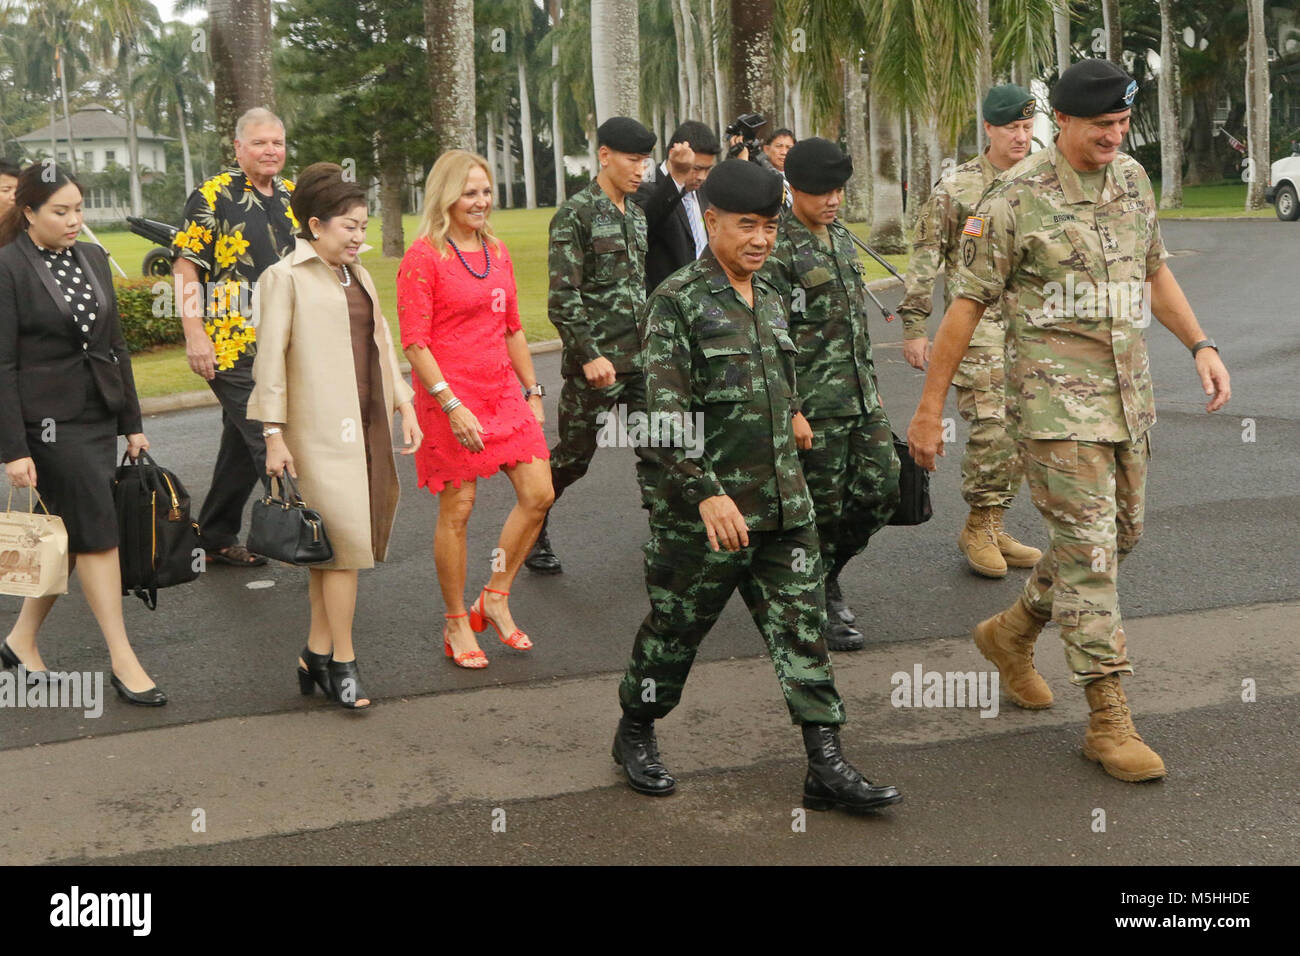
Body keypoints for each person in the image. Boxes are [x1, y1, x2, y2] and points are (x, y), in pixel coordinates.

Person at [906, 59, 1231, 782]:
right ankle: (1109, 720)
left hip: (1126, 400)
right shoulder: (1015, 198)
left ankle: (1012, 632)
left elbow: (1154, 269)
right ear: (1066, 123)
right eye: (1102, 127)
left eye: (1123, 125)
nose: (1114, 137)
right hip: (1052, 411)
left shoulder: (1133, 181)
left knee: (1120, 536)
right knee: (1089, 560)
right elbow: (964, 307)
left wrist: (1201, 345)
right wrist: (929, 411)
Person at [613, 159, 901, 814]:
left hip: (782, 503)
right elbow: (662, 416)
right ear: (711, 221)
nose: (762, 240)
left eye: (769, 227)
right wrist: (706, 492)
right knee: (676, 631)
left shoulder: (769, 295)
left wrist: (794, 411)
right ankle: (635, 729)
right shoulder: (677, 303)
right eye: (747, 226)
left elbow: (778, 374)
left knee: (803, 627)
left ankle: (825, 764)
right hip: (705, 513)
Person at [248, 163, 420, 709]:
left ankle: (315, 655)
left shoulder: (359, 275)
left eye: (364, 225)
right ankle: (343, 663)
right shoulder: (285, 278)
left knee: (330, 550)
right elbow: (269, 361)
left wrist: (405, 402)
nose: (359, 236)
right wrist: (274, 435)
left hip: (365, 423)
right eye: (350, 226)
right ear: (316, 224)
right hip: (315, 435)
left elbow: (383, 342)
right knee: (345, 550)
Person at [0, 165, 165, 706]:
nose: (75, 221)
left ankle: (21, 642)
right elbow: (2, 367)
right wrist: (14, 450)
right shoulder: (7, 267)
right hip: (47, 427)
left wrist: (132, 423)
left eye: (79, 209)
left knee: (66, 538)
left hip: (99, 415)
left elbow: (115, 345)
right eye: (61, 212)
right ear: (28, 213)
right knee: (99, 532)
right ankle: (123, 657)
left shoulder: (92, 258)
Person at [397, 150, 552, 668]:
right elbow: (415, 343)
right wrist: (451, 404)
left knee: (539, 494)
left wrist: (533, 392)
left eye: (486, 191)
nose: (481, 201)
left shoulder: (498, 251)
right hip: (449, 396)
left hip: (502, 390)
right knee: (458, 511)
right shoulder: (423, 257)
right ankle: (456, 621)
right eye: (470, 193)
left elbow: (511, 328)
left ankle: (497, 594)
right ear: (446, 197)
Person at [898, 85, 1043, 579]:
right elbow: (924, 257)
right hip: (975, 326)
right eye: (1011, 129)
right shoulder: (956, 188)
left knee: (1025, 427)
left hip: (1031, 326)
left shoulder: (1044, 180)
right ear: (988, 128)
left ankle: (994, 521)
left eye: (1027, 128)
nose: (1022, 137)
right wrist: (916, 325)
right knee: (992, 427)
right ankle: (979, 525)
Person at [763, 138, 900, 652]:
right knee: (819, 507)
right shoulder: (777, 247)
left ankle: (827, 571)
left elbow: (856, 329)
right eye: (821, 191)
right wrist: (791, 410)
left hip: (860, 398)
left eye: (839, 189)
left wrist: (875, 394)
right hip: (814, 409)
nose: (833, 200)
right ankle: (817, 595)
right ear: (793, 189)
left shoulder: (841, 238)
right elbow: (771, 336)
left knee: (882, 490)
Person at [525, 117, 656, 575]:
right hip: (595, 366)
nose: (641, 169)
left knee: (662, 447)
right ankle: (532, 524)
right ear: (605, 156)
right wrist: (590, 355)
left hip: (641, 362)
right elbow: (563, 298)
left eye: (645, 160)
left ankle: (668, 536)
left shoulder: (637, 216)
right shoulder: (576, 213)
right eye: (632, 159)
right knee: (572, 459)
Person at [173, 107, 297, 568]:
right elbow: (186, 267)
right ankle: (308, 535)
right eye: (260, 143)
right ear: (239, 147)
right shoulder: (212, 195)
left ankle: (215, 536)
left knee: (241, 444)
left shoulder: (291, 195)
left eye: (277, 143)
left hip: (280, 341)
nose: (270, 151)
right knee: (270, 437)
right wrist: (194, 335)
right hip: (231, 343)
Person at [630, 120, 719, 294]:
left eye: (707, 169)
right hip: (667, 300)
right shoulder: (644, 187)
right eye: (696, 168)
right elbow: (644, 224)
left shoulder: (705, 191)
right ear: (674, 155)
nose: (702, 177)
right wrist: (677, 178)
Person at [763, 128, 796, 207]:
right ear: (766, 149)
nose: (784, 152)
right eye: (779, 146)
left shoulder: (799, 176)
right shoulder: (761, 176)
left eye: (789, 147)